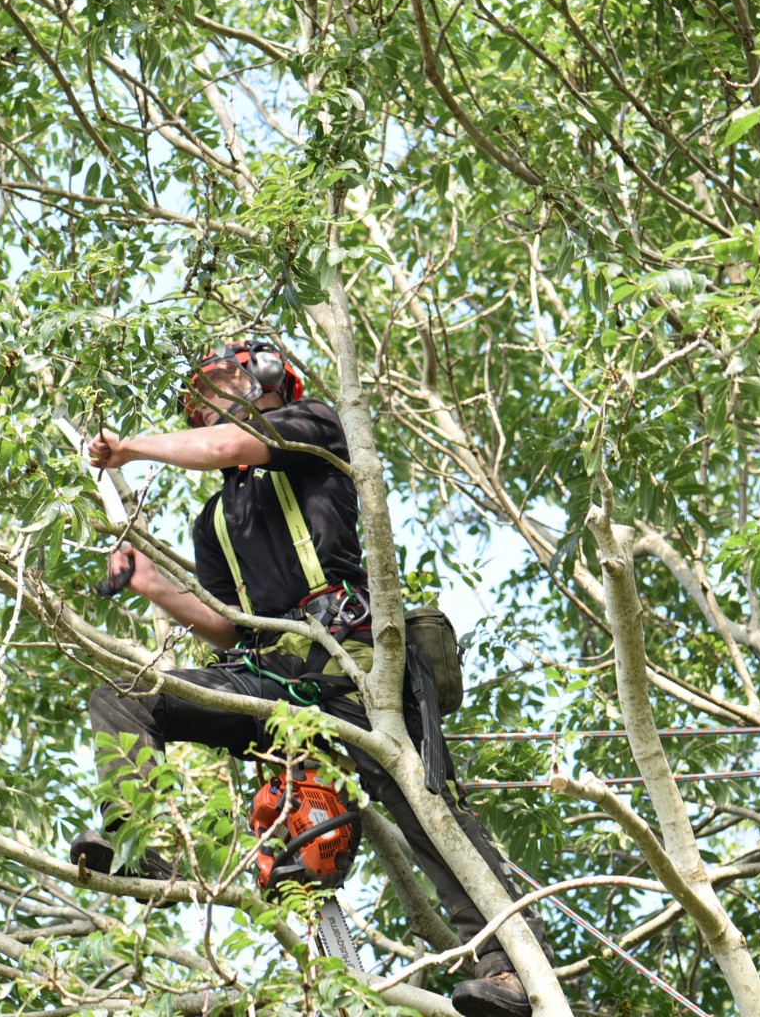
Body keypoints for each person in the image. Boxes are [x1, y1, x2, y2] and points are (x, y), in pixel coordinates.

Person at [68, 339, 549, 1017]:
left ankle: (510, 972)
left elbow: (229, 448)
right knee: (125, 698)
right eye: (201, 398)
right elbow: (226, 623)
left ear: (267, 375)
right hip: (268, 680)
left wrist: (130, 450)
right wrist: (148, 583)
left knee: (434, 819)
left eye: (223, 385)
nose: (210, 407)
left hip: (351, 673)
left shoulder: (315, 428)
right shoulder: (215, 520)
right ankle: (136, 842)